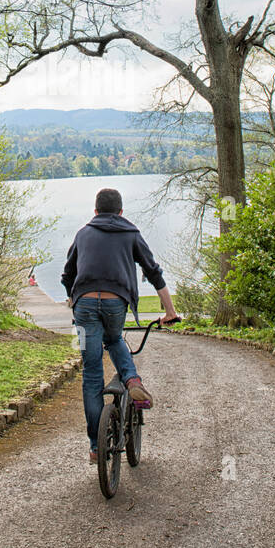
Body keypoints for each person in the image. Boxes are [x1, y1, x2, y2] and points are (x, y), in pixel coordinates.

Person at [61, 187, 180, 463]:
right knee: (114, 340)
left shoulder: (83, 233)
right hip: (116, 302)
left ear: (95, 211)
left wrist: (72, 298)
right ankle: (132, 379)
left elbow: (68, 274)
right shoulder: (131, 233)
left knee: (92, 374)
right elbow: (154, 272)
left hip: (85, 305)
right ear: (121, 212)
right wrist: (170, 311)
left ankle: (95, 447)